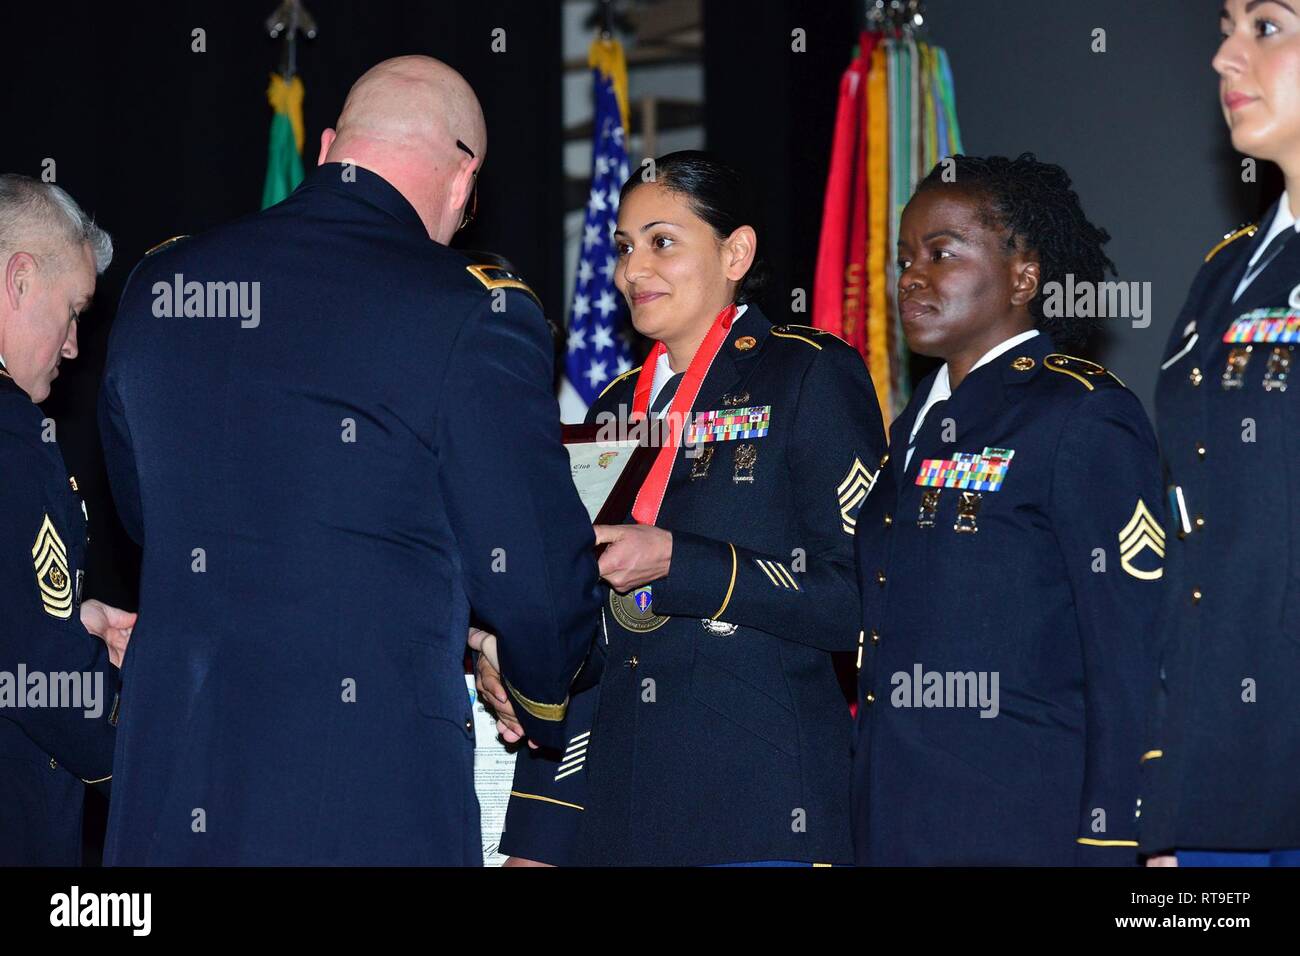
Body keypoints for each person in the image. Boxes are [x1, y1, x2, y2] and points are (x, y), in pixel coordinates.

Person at [97, 56, 602, 865]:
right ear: (464, 180)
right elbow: (536, 577)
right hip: (363, 793)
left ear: (331, 144)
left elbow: (142, 516)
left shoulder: (161, 283)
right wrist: (541, 692)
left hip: (172, 784)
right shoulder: (473, 311)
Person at [483, 151, 886, 866]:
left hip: (762, 809)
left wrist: (683, 563)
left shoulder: (806, 372)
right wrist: (521, 667)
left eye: (662, 241)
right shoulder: (608, 408)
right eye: (623, 247)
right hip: (618, 815)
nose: (631, 270)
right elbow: (594, 636)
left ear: (737, 252)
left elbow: (860, 600)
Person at [851, 154, 1163, 866]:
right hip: (893, 821)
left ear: (1024, 278)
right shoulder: (910, 429)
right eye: (904, 257)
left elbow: (1130, 651)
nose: (912, 276)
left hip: (1024, 824)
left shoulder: (1080, 415)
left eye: (941, 253)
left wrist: (1113, 835)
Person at [1141, 0, 1300, 868]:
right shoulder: (1227, 272)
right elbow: (1188, 541)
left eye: (1267, 26)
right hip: (1222, 774)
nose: (1225, 57)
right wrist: (1173, 777)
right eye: (1226, 25)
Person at [0, 173, 136, 865]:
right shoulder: (15, 439)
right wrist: (147, 768)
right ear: (19, 279)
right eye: (73, 310)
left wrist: (67, 619)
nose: (75, 344)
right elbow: (40, 673)